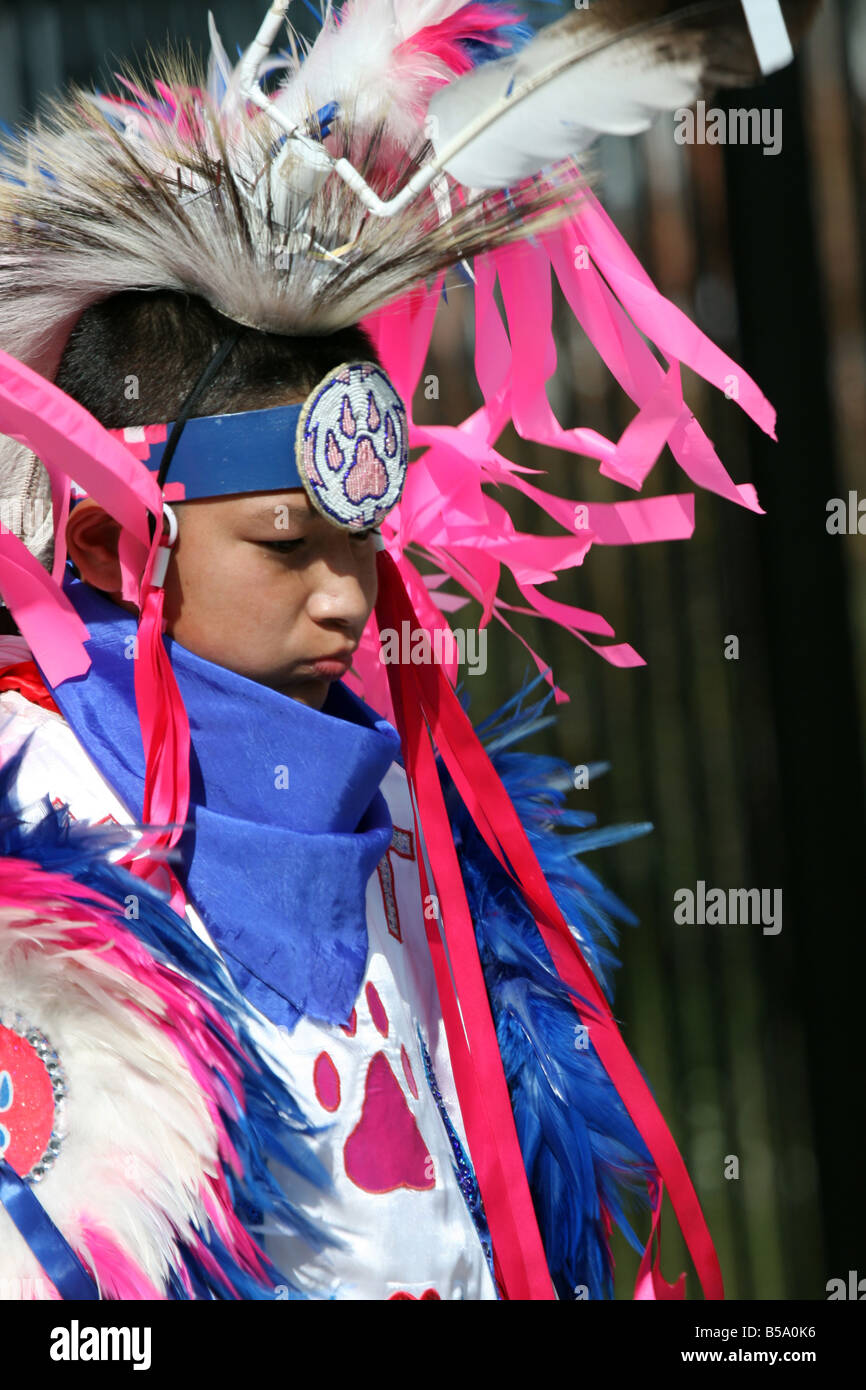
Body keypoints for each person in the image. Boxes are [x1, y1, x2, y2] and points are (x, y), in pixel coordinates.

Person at [0, 0, 817, 1301]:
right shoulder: (36, 836)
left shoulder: (412, 812)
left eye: (363, 537)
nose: (345, 601)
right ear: (108, 545)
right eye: (284, 543)